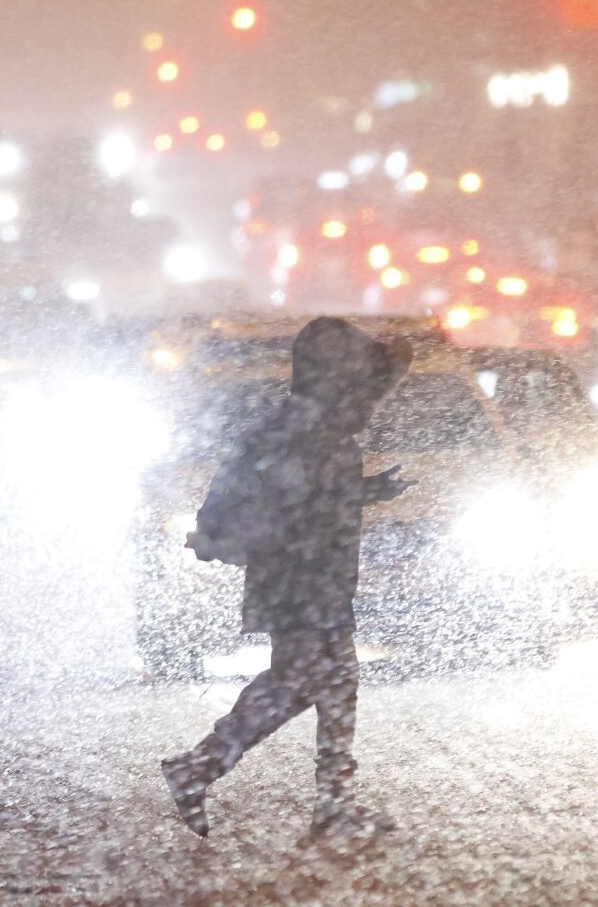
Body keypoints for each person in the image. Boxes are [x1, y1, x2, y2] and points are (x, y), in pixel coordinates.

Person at [161, 317, 413, 837]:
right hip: (300, 578)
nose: (370, 399)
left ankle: (330, 802)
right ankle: (201, 769)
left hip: (315, 576)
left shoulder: (315, 426)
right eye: (359, 381)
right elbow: (290, 501)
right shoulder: (304, 430)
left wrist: (365, 491)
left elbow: (310, 494)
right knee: (299, 683)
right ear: (336, 378)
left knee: (331, 681)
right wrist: (221, 535)